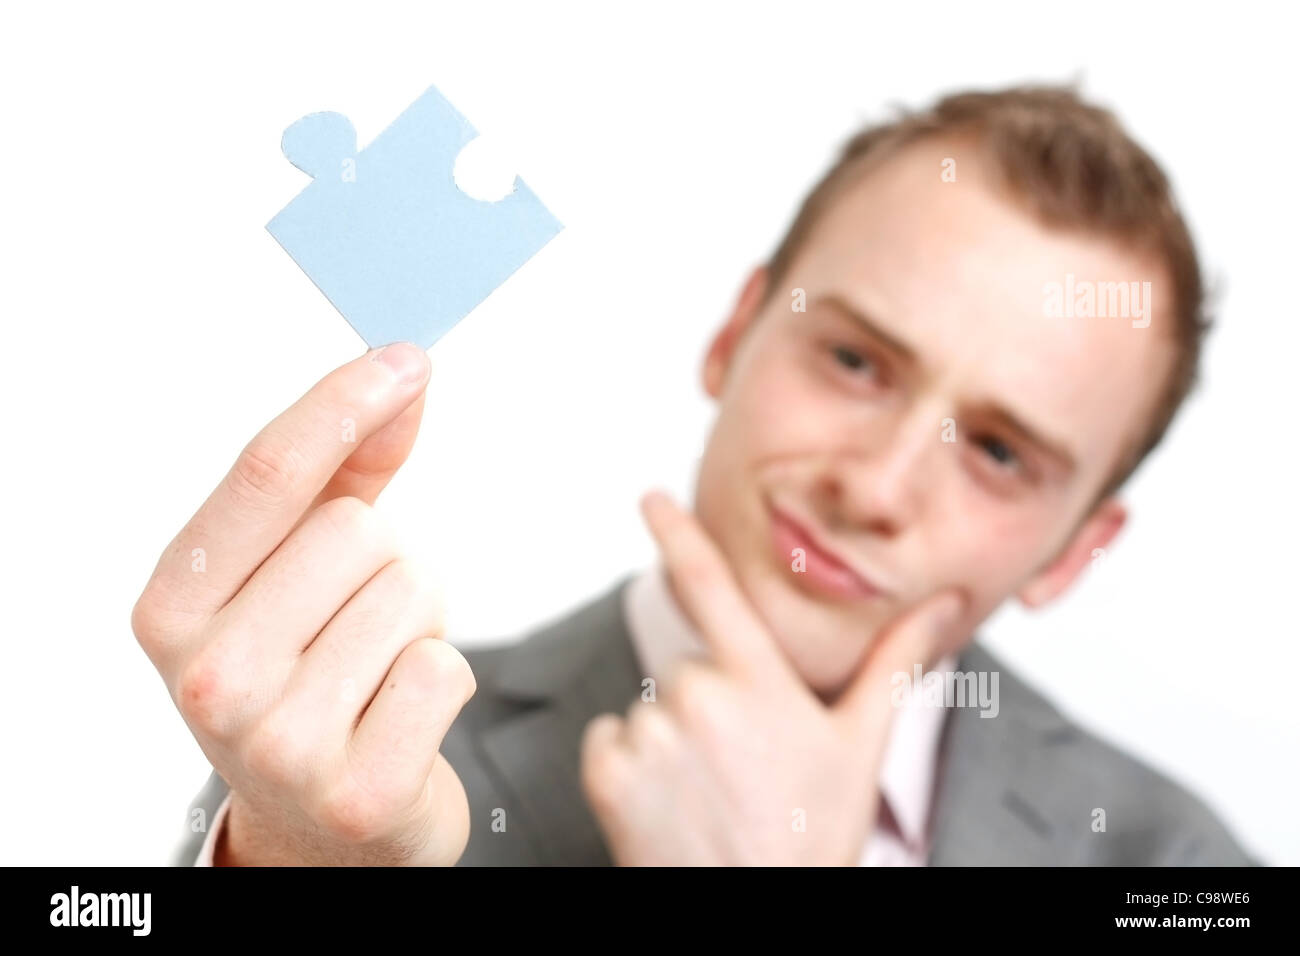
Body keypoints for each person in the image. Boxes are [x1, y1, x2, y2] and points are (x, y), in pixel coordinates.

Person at [134, 84, 1256, 866]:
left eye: (1000, 452)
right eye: (855, 360)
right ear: (735, 334)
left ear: (1075, 549)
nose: (874, 487)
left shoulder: (1176, 858)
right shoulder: (343, 764)